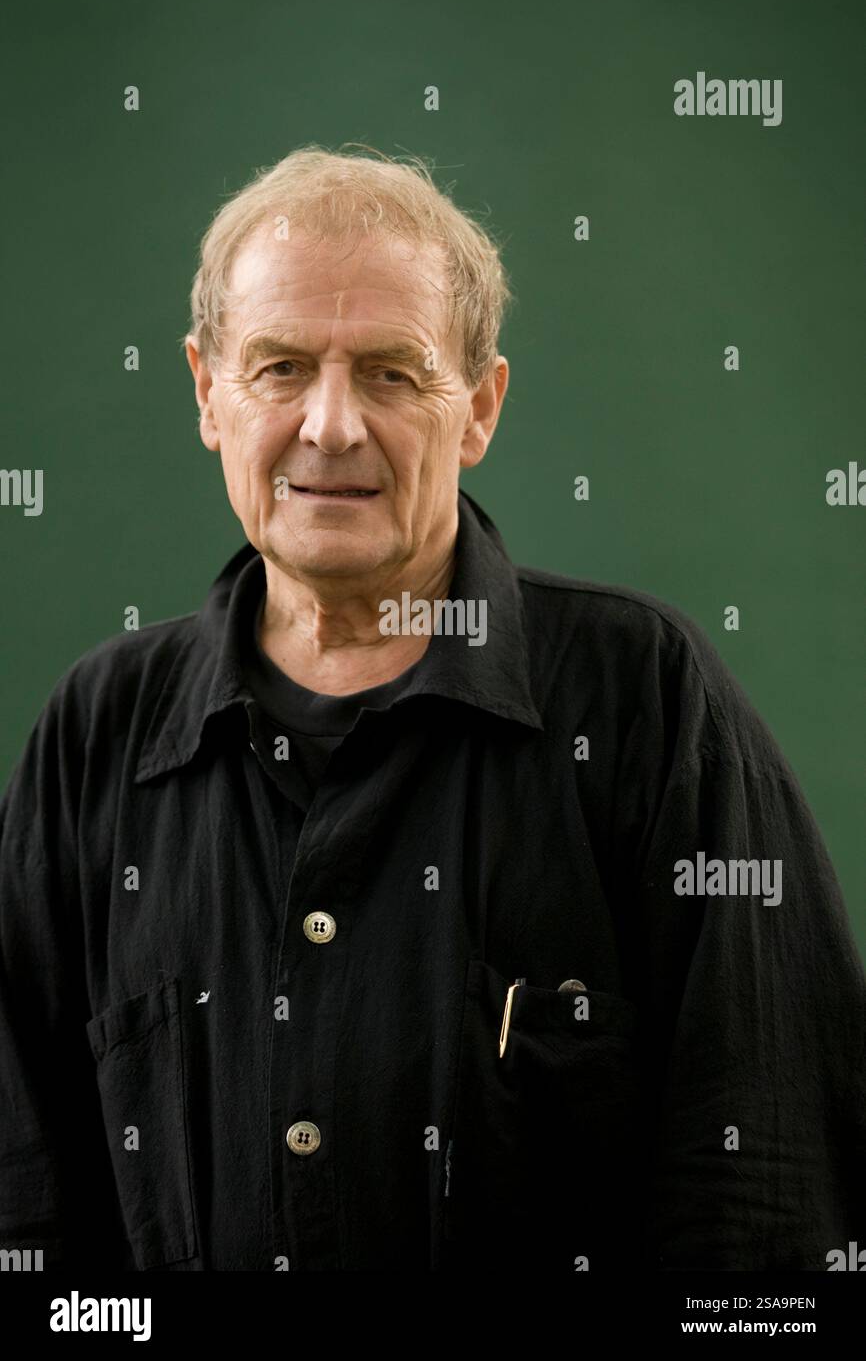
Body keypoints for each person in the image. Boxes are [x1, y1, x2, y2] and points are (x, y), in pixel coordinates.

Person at [0, 145, 863, 1273]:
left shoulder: (649, 701)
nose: (330, 425)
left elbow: (765, 1212)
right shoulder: (94, 738)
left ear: (480, 408)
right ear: (206, 391)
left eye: (392, 373)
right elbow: (26, 1212)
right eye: (277, 368)